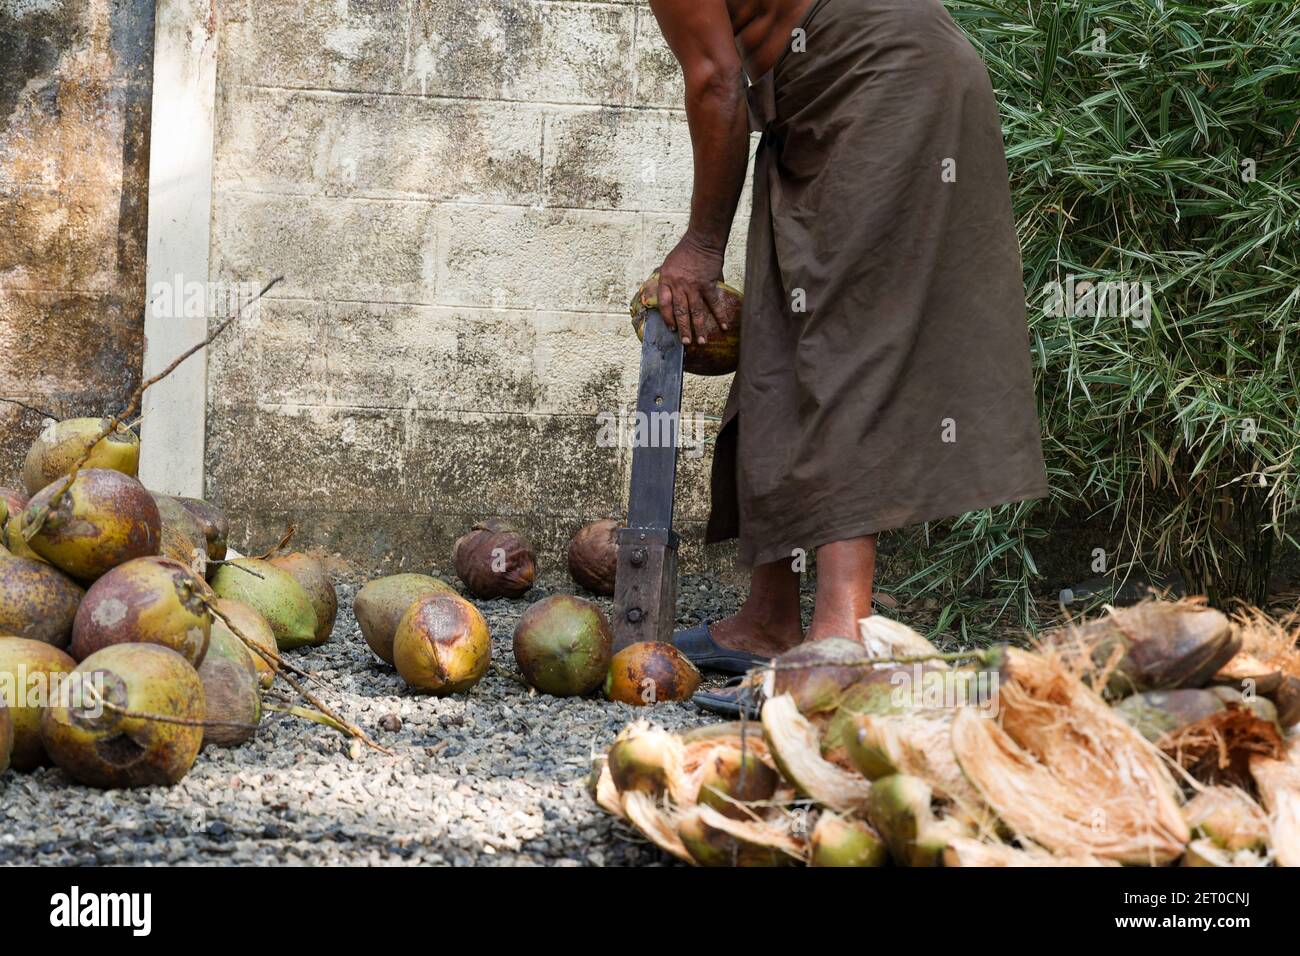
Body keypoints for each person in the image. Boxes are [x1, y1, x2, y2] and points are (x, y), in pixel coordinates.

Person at [647, 0, 1049, 672]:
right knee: (778, 327)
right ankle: (768, 619)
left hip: (887, 79)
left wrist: (700, 244)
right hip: (815, 95)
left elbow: (717, 83)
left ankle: (841, 635)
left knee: (845, 341)